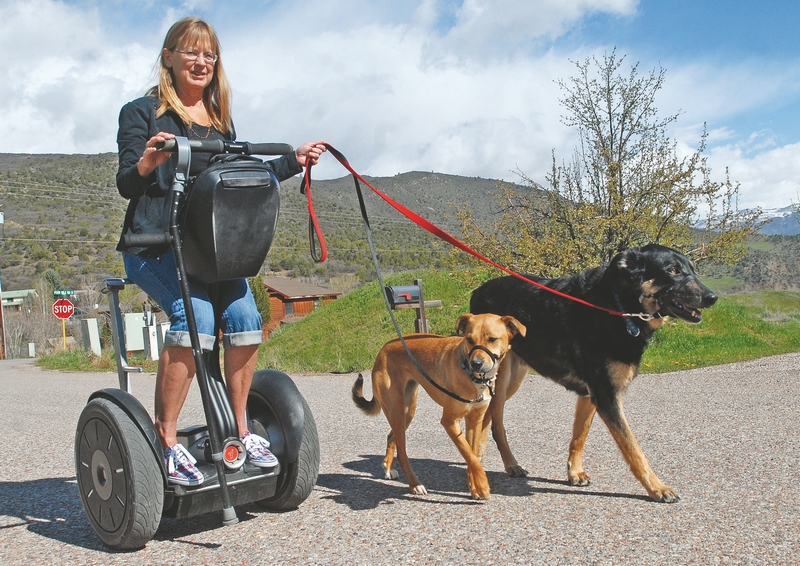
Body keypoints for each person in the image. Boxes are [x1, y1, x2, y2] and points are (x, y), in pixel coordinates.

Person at [116, 17, 326, 486]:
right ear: (168, 56)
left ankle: (239, 429)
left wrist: (293, 160)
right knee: (196, 318)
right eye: (190, 52)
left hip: (209, 252)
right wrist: (149, 162)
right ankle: (166, 441)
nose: (201, 62)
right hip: (154, 248)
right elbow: (127, 180)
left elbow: (236, 182)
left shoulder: (220, 120)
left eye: (209, 54)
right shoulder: (141, 112)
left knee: (247, 318)